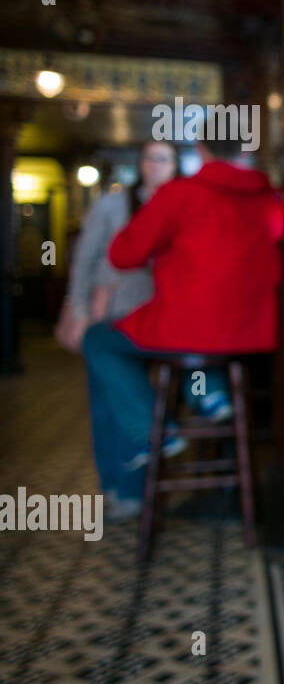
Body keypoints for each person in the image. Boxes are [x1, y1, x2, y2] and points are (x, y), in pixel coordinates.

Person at [80, 133, 284, 520]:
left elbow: (123, 255)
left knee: (99, 340)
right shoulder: (272, 198)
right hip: (256, 333)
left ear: (202, 153)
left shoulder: (180, 194)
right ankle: (209, 396)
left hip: (191, 329)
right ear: (244, 152)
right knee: (198, 346)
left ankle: (155, 434)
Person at [56, 141, 181, 511]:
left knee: (134, 396)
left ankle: (142, 476)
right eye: (149, 158)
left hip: (164, 317)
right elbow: (85, 259)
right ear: (141, 164)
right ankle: (118, 486)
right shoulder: (112, 205)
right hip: (113, 312)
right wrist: (78, 307)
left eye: (163, 159)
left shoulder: (181, 204)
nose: (155, 166)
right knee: (106, 401)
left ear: (175, 165)